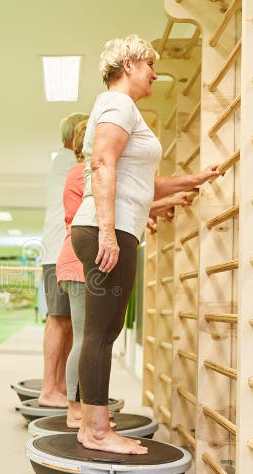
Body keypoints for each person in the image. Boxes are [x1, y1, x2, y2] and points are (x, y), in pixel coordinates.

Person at [70, 34, 221, 454]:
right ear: (129, 65)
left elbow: (138, 182)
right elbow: (102, 162)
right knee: (101, 333)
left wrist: (194, 179)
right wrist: (106, 230)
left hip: (116, 227)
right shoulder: (118, 104)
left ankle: (93, 421)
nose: (155, 72)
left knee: (105, 330)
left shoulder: (124, 109)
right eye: (149, 64)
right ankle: (95, 430)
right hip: (107, 230)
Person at [58, 120, 191, 428]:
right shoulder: (85, 172)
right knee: (86, 336)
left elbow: (126, 205)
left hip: (79, 261)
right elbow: (111, 208)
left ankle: (82, 406)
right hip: (80, 263)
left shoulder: (86, 172)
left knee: (90, 335)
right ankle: (75, 409)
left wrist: (163, 204)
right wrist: (168, 199)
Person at [38, 112, 89, 408]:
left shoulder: (68, 162)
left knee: (67, 321)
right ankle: (48, 388)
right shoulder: (69, 162)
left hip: (60, 250)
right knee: (58, 320)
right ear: (75, 136)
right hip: (58, 250)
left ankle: (57, 385)